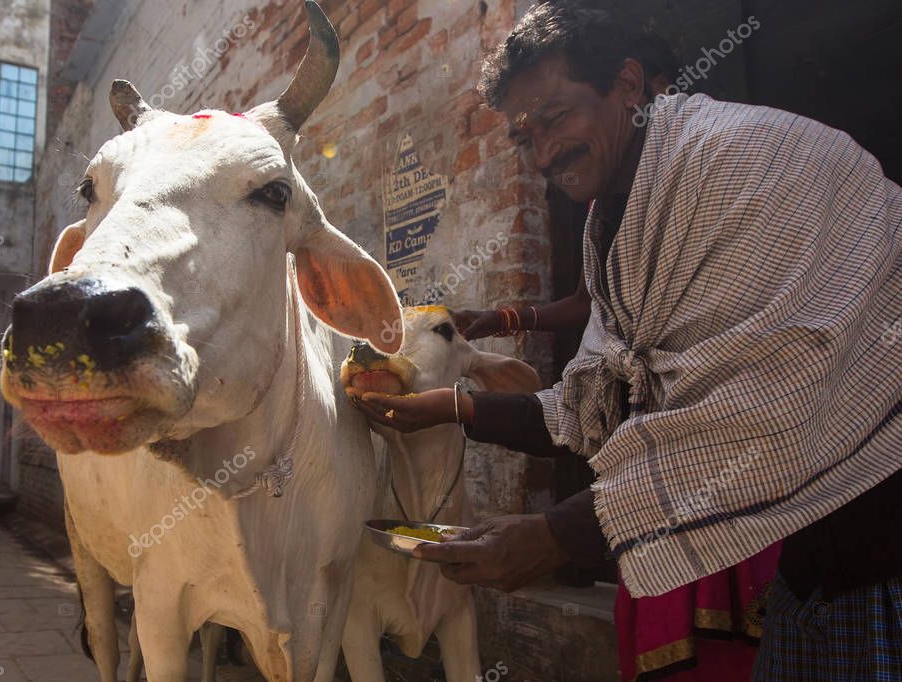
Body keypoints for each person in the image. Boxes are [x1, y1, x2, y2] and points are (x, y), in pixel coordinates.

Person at [354, 2, 902, 679]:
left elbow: (764, 412)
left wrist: (555, 535)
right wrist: (450, 409)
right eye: (523, 138)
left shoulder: (746, 163)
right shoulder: (611, 226)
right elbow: (598, 403)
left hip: (882, 551)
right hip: (811, 566)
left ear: (630, 85)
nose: (544, 152)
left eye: (555, 118)